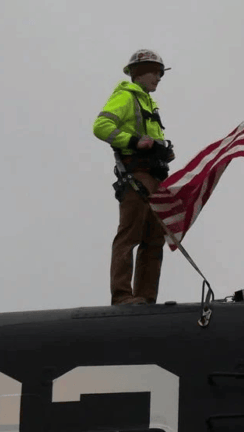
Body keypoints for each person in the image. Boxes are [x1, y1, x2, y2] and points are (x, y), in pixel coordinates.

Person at [93, 49, 175, 305]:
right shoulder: (126, 97)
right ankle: (122, 296)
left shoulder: (149, 103)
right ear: (140, 73)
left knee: (154, 238)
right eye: (155, 72)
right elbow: (101, 126)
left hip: (155, 178)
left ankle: (145, 298)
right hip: (136, 177)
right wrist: (134, 141)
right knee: (129, 235)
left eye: (160, 73)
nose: (159, 78)